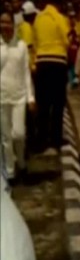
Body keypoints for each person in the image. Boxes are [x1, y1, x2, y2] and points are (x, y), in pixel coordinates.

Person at [0, 10, 34, 179]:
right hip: (2, 98)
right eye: (2, 22)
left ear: (13, 24)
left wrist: (31, 97)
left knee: (18, 134)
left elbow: (26, 72)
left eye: (8, 22)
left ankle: (20, 160)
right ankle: (11, 171)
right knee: (6, 138)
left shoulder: (21, 45)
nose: (5, 26)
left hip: (19, 97)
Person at [32, 0, 70, 152]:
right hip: (58, 62)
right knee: (58, 103)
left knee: (43, 103)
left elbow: (35, 42)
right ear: (57, 6)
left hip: (41, 62)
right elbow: (66, 40)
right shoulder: (60, 18)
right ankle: (55, 138)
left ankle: (42, 139)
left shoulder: (38, 19)